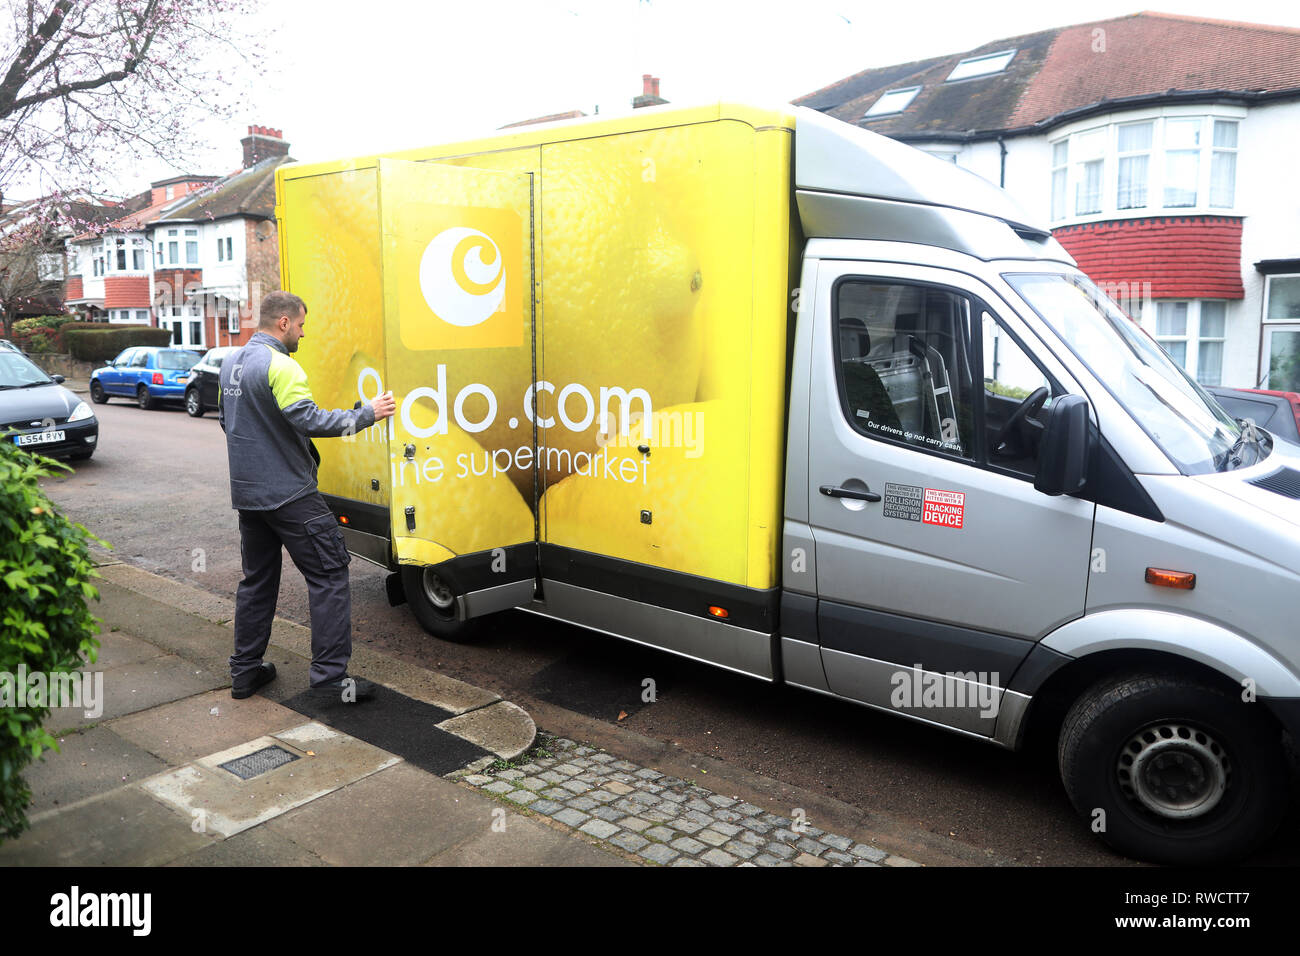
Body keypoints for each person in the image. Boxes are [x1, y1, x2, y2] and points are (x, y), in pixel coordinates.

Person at [218, 291, 396, 703]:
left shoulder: (230, 363)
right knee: (330, 575)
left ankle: (244, 673)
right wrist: (367, 413)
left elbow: (229, 424)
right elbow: (309, 419)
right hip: (291, 494)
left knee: (257, 582)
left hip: (248, 497)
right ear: (283, 323)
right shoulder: (282, 365)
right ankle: (331, 681)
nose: (303, 332)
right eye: (300, 324)